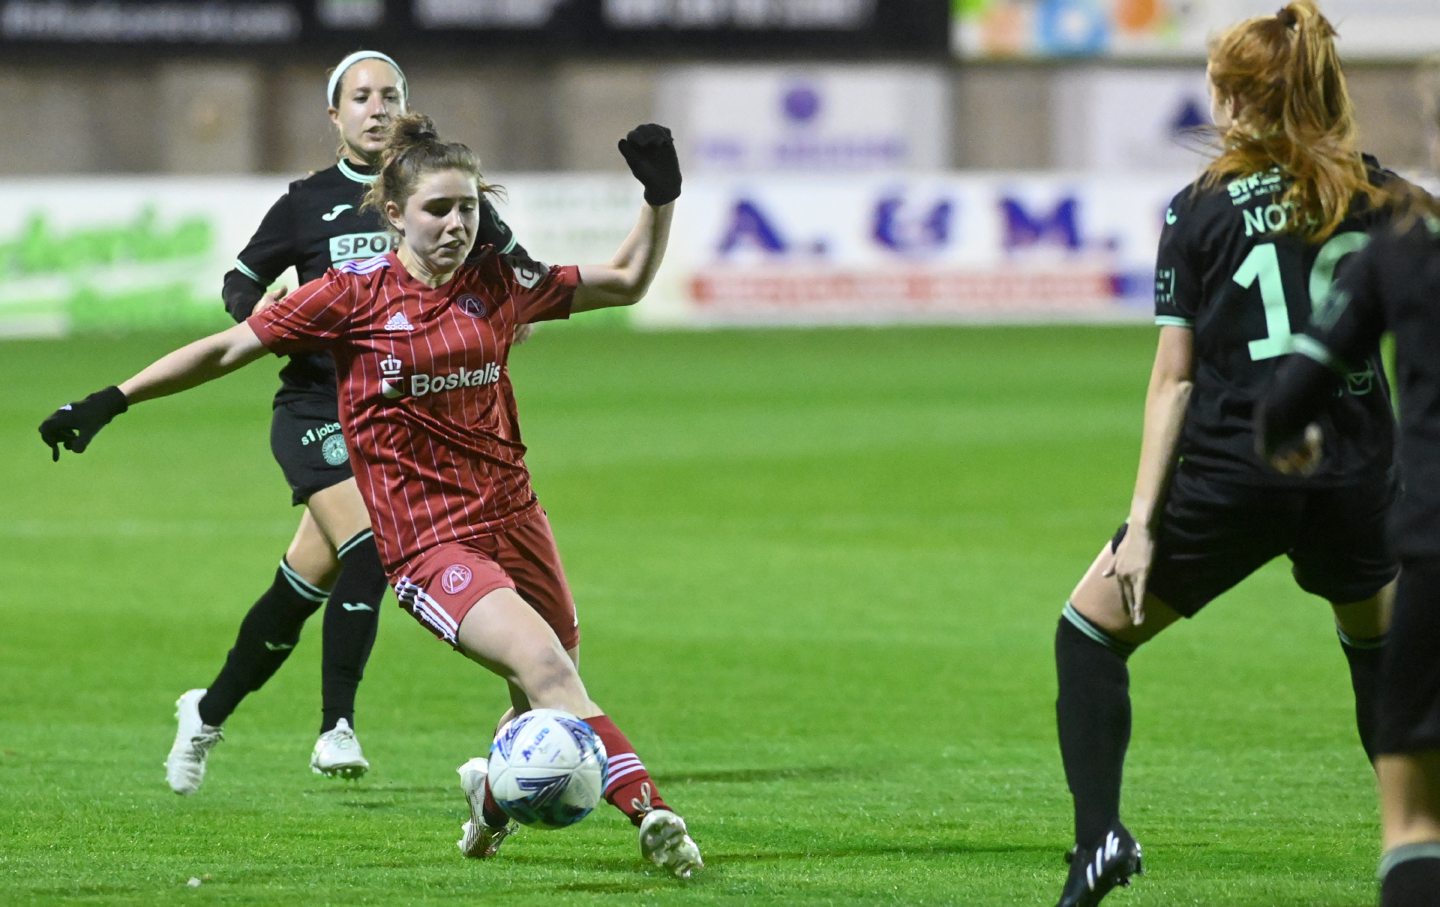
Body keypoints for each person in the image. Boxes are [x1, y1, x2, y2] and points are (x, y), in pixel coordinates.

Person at [40, 111, 702, 878]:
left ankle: (490, 802)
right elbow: (229, 344)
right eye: (439, 210)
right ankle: (652, 813)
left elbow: (623, 281)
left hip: (518, 519)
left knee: (538, 696)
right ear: (394, 214)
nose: (458, 225)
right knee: (553, 673)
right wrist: (111, 399)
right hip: (430, 543)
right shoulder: (349, 297)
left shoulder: (496, 281)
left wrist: (660, 198)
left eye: (469, 209)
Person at [1050, 3, 1412, 904]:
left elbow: (1173, 378)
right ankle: (1418, 842)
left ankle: (1100, 838)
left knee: (1088, 632)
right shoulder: (1378, 192)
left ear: (1238, 97)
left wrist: (1140, 524)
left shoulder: (1200, 206)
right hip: (1359, 472)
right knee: (1378, 655)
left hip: (1238, 469)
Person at [161, 49, 531, 795]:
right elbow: (240, 282)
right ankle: (337, 726)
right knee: (370, 547)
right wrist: (261, 312)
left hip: (399, 424)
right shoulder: (308, 202)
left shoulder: (444, 195)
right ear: (335, 114)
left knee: (298, 590)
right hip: (316, 409)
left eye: (389, 93)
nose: (377, 106)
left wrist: (510, 307)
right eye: (360, 96)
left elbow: (519, 272)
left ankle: (206, 708)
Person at [1256, 201, 1440, 907]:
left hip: (1433, 550)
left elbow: (1289, 397)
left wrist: (1285, 432)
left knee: (1417, 816)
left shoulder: (1402, 251)